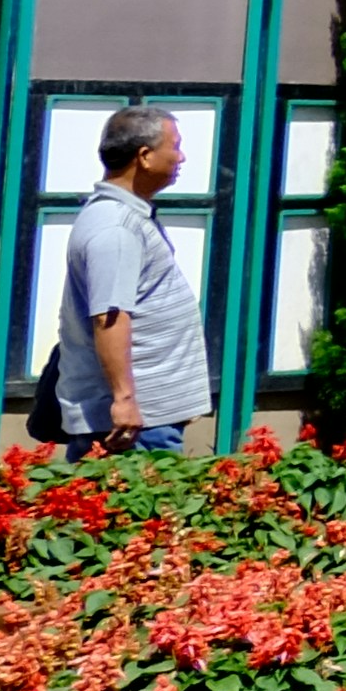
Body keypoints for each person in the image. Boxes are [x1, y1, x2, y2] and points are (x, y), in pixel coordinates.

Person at [48, 107, 207, 459]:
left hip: (147, 417)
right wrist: (124, 399)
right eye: (175, 146)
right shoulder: (115, 227)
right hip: (132, 424)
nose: (181, 157)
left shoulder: (126, 216)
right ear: (145, 156)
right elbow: (109, 315)